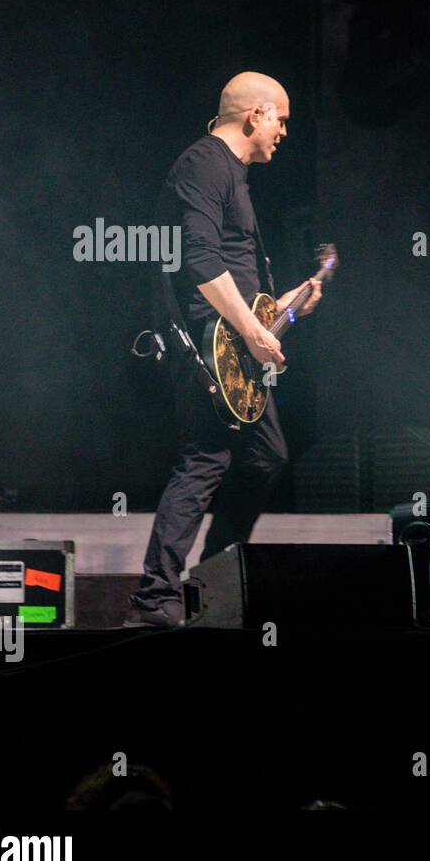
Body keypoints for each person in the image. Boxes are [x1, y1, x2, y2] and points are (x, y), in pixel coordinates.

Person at [126, 72, 322, 628]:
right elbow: (200, 261)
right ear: (255, 114)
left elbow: (233, 269)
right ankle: (154, 597)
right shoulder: (203, 164)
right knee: (205, 458)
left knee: (267, 457)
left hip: (235, 340)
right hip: (205, 345)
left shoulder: (231, 175)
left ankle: (205, 584)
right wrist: (256, 332)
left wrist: (280, 308)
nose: (283, 132)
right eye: (280, 119)